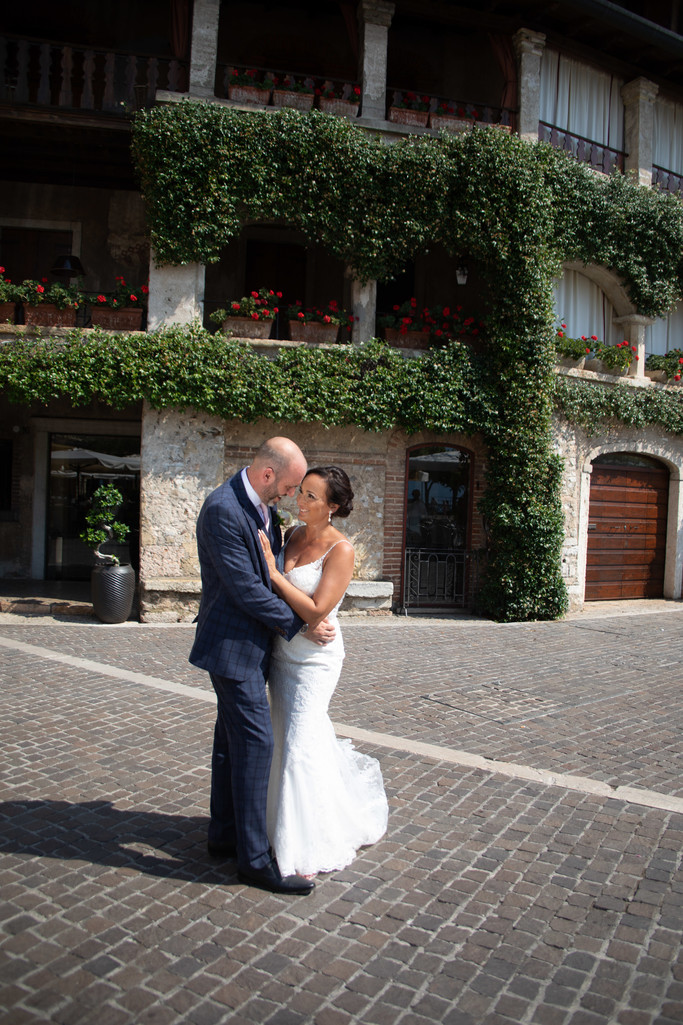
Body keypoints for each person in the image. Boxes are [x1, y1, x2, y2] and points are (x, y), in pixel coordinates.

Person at [189, 437, 335, 896]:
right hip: (232, 647)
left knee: (231, 742)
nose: (291, 497)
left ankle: (224, 834)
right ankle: (253, 861)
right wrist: (301, 624)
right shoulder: (223, 509)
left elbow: (270, 577)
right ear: (268, 474)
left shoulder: (261, 508)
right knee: (256, 744)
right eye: (290, 487)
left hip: (255, 646)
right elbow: (245, 590)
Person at [258, 466, 388, 878]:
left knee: (299, 741)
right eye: (301, 492)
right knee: (285, 739)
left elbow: (317, 610)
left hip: (316, 661)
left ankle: (306, 845)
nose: (301, 500)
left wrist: (276, 574)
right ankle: (276, 828)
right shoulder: (291, 535)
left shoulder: (341, 550)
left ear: (332, 506)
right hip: (284, 652)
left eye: (312, 497)